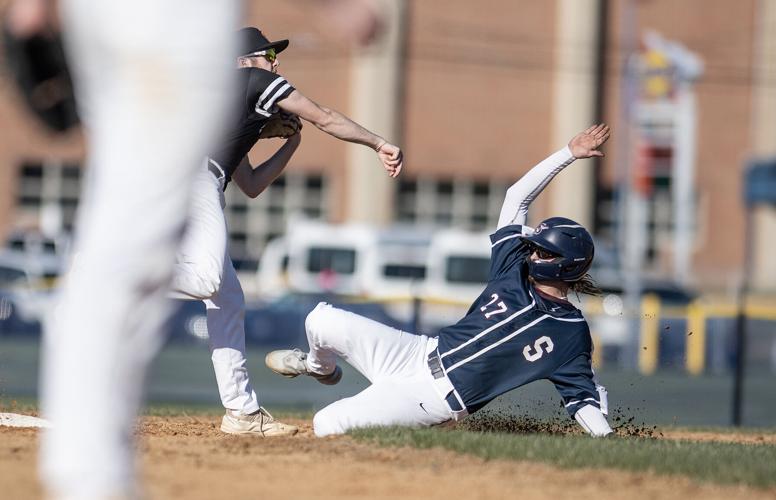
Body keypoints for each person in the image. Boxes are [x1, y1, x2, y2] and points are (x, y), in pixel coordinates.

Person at [265, 124, 614, 438]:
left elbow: (583, 397)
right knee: (319, 319)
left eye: (543, 252)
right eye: (535, 248)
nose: (533, 254)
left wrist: (606, 439)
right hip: (416, 353)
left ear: (566, 267)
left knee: (327, 423)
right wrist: (568, 153)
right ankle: (318, 367)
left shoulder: (570, 330)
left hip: (435, 398)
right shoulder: (513, 269)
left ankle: (426, 430)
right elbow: (516, 197)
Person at [169, 26, 403, 437]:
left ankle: (241, 413)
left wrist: (291, 142)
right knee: (207, 278)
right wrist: (377, 142)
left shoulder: (227, 115)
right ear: (244, 62)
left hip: (188, 177)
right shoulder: (254, 80)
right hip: (193, 179)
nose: (275, 64)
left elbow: (253, 184)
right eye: (268, 56)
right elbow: (326, 116)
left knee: (227, 299)